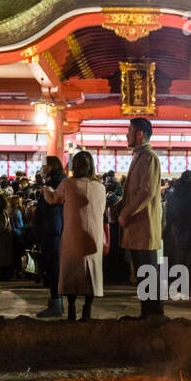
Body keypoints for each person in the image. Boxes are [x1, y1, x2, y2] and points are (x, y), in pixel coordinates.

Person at [45, 150, 107, 321]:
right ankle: (87, 309)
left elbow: (53, 198)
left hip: (73, 233)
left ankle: (71, 309)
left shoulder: (68, 184)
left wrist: (46, 188)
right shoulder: (101, 187)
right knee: (91, 272)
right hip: (94, 235)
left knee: (71, 271)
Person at [119, 117, 164, 316]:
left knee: (147, 272)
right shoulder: (139, 156)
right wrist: (120, 204)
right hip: (137, 226)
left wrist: (126, 213)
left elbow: (146, 191)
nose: (126, 135)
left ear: (139, 134)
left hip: (144, 226)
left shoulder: (149, 157)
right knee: (142, 272)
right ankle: (148, 314)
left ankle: (153, 315)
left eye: (129, 131)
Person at [34, 156, 66, 317]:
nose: (42, 168)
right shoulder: (56, 181)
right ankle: (56, 301)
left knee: (54, 267)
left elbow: (51, 205)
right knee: (53, 266)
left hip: (53, 228)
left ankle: (56, 303)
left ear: (51, 167)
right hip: (55, 227)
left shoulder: (57, 183)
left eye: (44, 165)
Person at [165, 169, 191, 269]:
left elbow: (169, 211)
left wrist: (170, 226)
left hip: (179, 228)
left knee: (180, 256)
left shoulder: (174, 194)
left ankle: (181, 280)